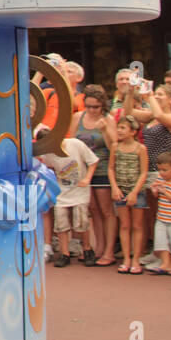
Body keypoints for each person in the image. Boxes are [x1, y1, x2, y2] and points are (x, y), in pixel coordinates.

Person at [125, 82, 171, 266]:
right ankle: (155, 250)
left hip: (161, 172)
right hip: (146, 169)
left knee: (161, 213)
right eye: (155, 94)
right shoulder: (151, 117)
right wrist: (129, 93)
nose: (156, 97)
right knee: (150, 214)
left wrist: (148, 97)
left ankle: (165, 256)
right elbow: (129, 112)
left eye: (161, 94)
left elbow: (159, 114)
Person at [68, 84, 116, 266]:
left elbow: (114, 147)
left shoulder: (108, 119)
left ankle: (109, 251)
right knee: (93, 210)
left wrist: (104, 130)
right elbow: (72, 142)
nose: (91, 110)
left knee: (106, 210)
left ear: (102, 105)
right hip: (84, 170)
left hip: (103, 167)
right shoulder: (77, 117)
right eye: (88, 106)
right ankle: (99, 247)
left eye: (95, 107)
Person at [44, 135, 98, 267]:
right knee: (61, 222)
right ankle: (64, 253)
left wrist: (87, 179)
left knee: (81, 220)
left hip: (80, 189)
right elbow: (49, 168)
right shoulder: (47, 153)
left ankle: (87, 249)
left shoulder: (75, 144)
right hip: (62, 192)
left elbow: (93, 161)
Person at [109, 114, 148, 274]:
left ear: (133, 131)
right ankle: (126, 258)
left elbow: (144, 172)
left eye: (123, 128)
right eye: (119, 127)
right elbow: (111, 168)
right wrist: (114, 187)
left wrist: (134, 192)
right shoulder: (115, 147)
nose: (119, 130)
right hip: (121, 190)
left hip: (136, 191)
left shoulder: (141, 149)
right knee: (124, 225)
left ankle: (136, 258)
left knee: (137, 225)